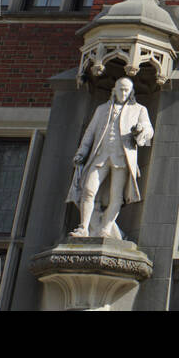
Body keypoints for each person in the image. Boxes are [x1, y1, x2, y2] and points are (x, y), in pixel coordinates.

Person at [68, 77, 153, 239]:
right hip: (99, 157)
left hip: (122, 159)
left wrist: (140, 130)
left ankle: (106, 229)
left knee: (116, 196)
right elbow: (90, 132)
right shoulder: (101, 109)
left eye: (126, 90)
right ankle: (83, 227)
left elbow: (148, 136)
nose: (123, 92)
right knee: (88, 190)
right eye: (120, 89)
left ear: (131, 92)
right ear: (114, 90)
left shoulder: (140, 110)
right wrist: (81, 152)